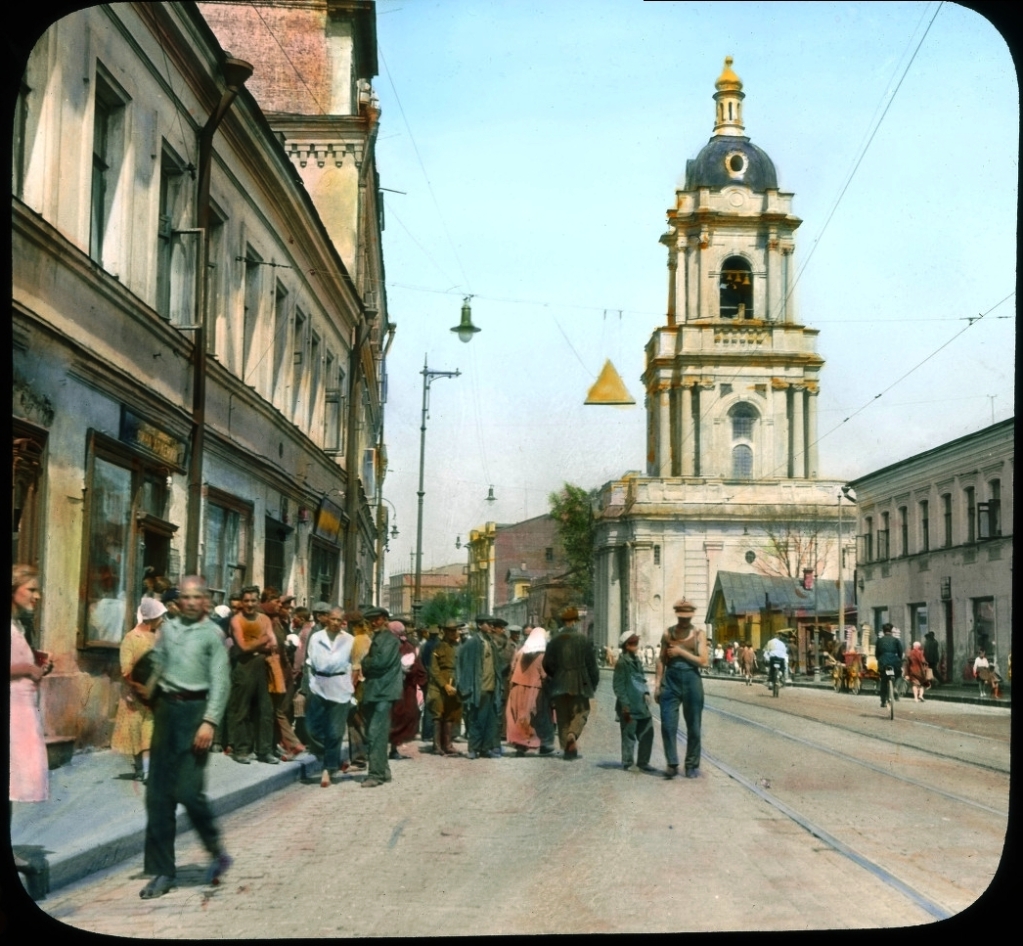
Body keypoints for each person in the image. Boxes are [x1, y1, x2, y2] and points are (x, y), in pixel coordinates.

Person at [140, 575, 231, 899]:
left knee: (190, 793)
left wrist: (209, 722)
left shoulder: (213, 635)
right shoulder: (168, 629)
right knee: (158, 795)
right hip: (167, 712)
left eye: (198, 597)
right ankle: (163, 872)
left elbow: (221, 682)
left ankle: (216, 850)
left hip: (196, 715)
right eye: (186, 597)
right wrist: (151, 683)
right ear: (180, 599)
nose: (192, 602)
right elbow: (158, 663)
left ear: (206, 601)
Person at [11, 565, 52, 877]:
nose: (38, 596)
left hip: (20, 712)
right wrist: (27, 668)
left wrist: (35, 662)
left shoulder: (18, 624)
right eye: (32, 589)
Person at [112, 597, 167, 781]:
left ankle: (147, 770)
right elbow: (126, 668)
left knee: (149, 731)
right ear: (151, 617)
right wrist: (135, 684)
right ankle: (140, 768)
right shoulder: (131, 637)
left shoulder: (157, 636)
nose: (163, 619)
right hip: (135, 692)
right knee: (136, 732)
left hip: (152, 693)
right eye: (161, 616)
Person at [654, 598, 708, 779]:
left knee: (694, 726)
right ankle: (672, 762)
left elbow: (703, 661)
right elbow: (661, 659)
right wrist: (657, 684)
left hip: (692, 680)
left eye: (687, 616)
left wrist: (680, 652)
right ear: (677, 614)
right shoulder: (668, 634)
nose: (684, 620)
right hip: (671, 680)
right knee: (668, 724)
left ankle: (692, 764)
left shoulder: (699, 633)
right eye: (681, 616)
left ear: (692, 615)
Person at [226, 586, 278, 764]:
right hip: (244, 666)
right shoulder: (236, 620)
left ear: (258, 601)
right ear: (241, 602)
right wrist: (263, 641)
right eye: (246, 601)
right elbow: (244, 647)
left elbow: (274, 643)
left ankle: (264, 751)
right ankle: (241, 750)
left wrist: (258, 643)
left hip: (262, 666)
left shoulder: (264, 619)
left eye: (253, 600)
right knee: (242, 709)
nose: (249, 604)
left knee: (266, 710)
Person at [305, 607, 354, 787]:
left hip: (340, 685)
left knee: (335, 731)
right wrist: (309, 685)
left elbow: (354, 665)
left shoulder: (349, 640)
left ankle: (328, 768)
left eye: (338, 620)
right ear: (327, 619)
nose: (335, 623)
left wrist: (351, 690)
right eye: (332, 619)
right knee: (312, 728)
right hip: (319, 684)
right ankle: (331, 755)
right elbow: (309, 662)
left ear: (343, 622)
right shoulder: (316, 637)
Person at [542, 607, 599, 761]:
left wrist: (556, 674)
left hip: (559, 682)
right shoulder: (583, 639)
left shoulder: (554, 641)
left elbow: (546, 664)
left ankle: (567, 750)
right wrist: (593, 684)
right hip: (579, 682)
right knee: (582, 711)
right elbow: (592, 666)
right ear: (574, 621)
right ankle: (572, 735)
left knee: (562, 716)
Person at [359, 607, 402, 787]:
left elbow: (379, 663)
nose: (373, 623)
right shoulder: (380, 638)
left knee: (375, 732)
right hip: (377, 691)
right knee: (377, 732)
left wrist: (364, 662)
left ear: (384, 619)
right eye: (371, 620)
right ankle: (383, 771)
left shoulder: (389, 640)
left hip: (383, 691)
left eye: (376, 619)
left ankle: (375, 774)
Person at [457, 615, 505, 759]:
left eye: (492, 624)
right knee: (476, 719)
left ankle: (486, 748)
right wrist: (466, 687)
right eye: (488, 624)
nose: (491, 626)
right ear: (479, 625)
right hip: (479, 688)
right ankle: (473, 748)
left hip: (492, 688)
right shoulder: (473, 643)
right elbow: (462, 664)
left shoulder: (490, 642)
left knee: (490, 720)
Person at [613, 632, 654, 771]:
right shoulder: (622, 663)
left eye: (636, 643)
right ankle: (628, 762)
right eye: (634, 644)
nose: (636, 646)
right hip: (629, 706)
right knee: (629, 735)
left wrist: (647, 692)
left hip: (641, 705)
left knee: (648, 732)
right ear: (627, 645)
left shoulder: (637, 661)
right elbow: (618, 687)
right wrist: (625, 704)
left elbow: (642, 679)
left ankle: (643, 762)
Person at [505, 625, 550, 756]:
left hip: (517, 688)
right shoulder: (542, 655)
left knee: (518, 716)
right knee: (535, 717)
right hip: (534, 690)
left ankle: (520, 745)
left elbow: (512, 668)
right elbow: (545, 674)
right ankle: (539, 744)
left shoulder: (520, 651)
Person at [389, 620, 427, 759]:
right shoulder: (405, 646)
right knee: (397, 717)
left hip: (403, 688)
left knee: (397, 717)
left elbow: (416, 666)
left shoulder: (406, 646)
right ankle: (392, 747)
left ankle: (393, 747)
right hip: (400, 689)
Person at [426, 620, 463, 756]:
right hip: (439, 684)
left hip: (455, 682)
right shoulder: (438, 646)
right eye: (451, 631)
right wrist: (444, 684)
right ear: (445, 632)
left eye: (455, 630)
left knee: (450, 715)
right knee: (438, 714)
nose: (454, 633)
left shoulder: (459, 646)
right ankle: (437, 746)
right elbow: (434, 669)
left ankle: (447, 744)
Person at [875, 623, 904, 708]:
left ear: (883, 631)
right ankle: (894, 687)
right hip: (894, 662)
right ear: (891, 631)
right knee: (898, 673)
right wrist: (899, 660)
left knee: (883, 681)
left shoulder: (879, 640)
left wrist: (879, 659)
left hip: (884, 662)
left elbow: (877, 654)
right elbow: (900, 652)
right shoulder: (896, 640)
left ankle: (883, 700)